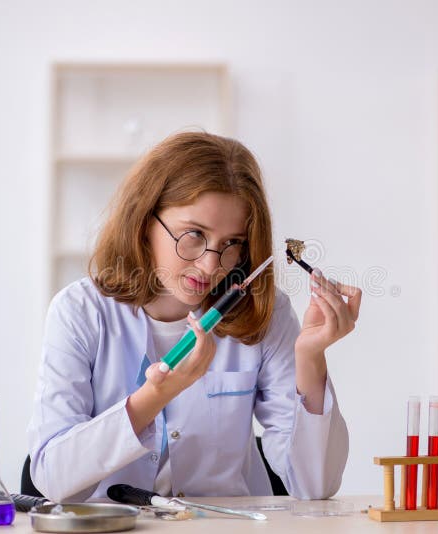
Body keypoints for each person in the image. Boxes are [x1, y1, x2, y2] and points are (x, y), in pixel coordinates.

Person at [27, 131, 362, 503]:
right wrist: (153, 397)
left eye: (232, 243)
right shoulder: (80, 312)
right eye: (193, 234)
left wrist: (311, 359)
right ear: (144, 219)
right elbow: (53, 478)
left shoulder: (263, 313)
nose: (209, 264)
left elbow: (315, 485)